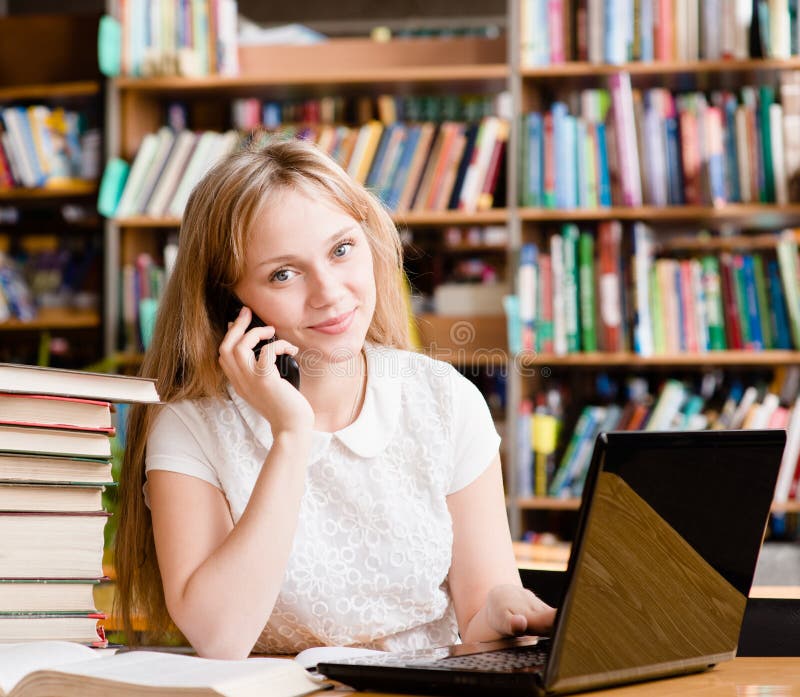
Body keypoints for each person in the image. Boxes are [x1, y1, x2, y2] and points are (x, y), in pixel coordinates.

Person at [115, 136, 555, 660]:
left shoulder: (445, 401)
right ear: (230, 300)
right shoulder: (192, 427)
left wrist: (500, 609)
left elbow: (481, 619)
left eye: (341, 249)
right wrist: (290, 435)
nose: (329, 292)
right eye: (283, 274)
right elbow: (220, 637)